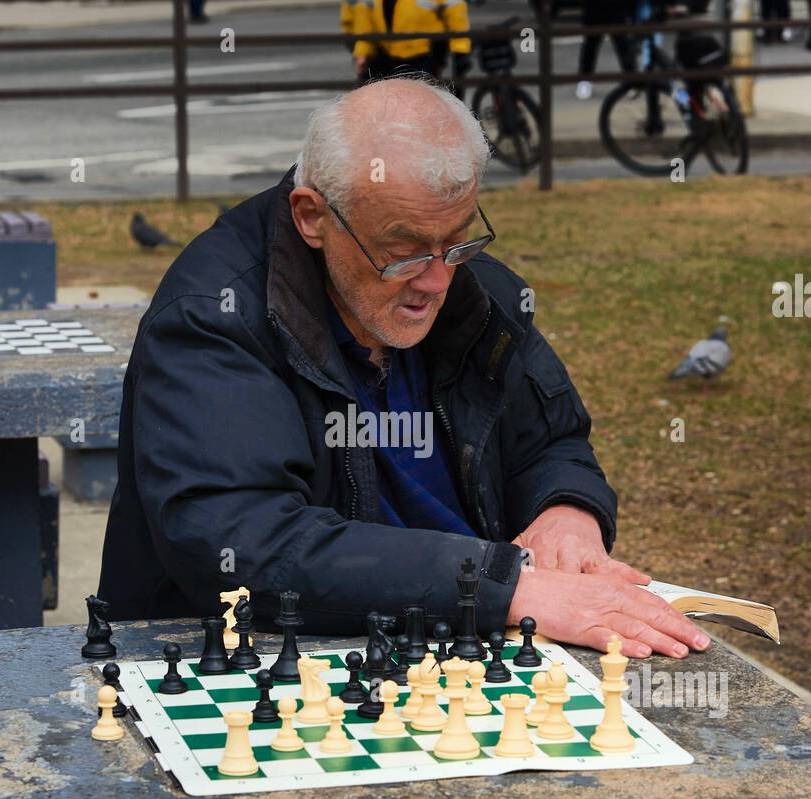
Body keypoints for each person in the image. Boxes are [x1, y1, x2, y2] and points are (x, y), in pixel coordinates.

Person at [97, 78, 711, 660]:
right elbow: (242, 543)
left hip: (465, 645)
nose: (438, 280)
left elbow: (552, 440)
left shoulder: (474, 295)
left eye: (459, 240)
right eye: (404, 252)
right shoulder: (214, 316)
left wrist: (567, 511)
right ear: (313, 217)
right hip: (258, 664)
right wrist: (506, 589)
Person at [350, 0, 473, 83]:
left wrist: (460, 50)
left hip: (425, 54)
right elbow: (365, 25)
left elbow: (456, 17)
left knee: (421, 101)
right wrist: (362, 54)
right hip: (387, 54)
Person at [575, 0, 638, 99]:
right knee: (590, 44)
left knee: (623, 44)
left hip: (617, 7)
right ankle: (585, 81)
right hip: (594, 7)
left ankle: (631, 82)